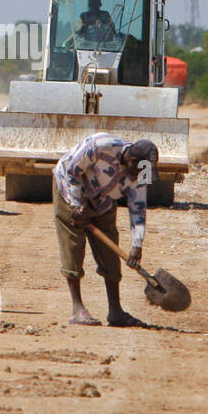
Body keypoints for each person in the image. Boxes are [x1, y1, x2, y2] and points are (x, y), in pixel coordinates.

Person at [52, 132, 158, 327]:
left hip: (103, 199)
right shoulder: (100, 146)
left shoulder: (141, 171)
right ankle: (78, 309)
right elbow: (72, 172)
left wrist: (137, 244)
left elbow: (138, 207)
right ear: (132, 161)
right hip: (70, 188)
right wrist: (77, 206)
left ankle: (115, 311)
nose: (140, 177)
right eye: (139, 171)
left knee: (110, 251)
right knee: (73, 244)